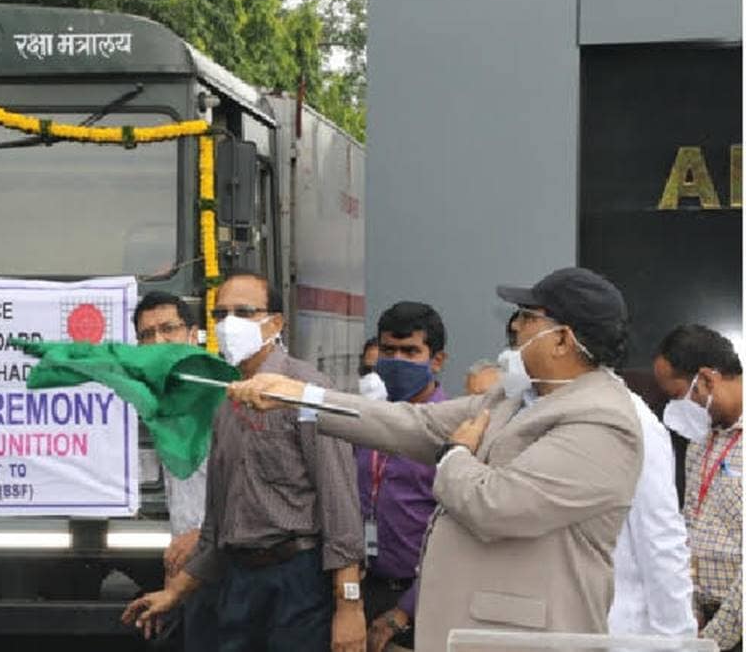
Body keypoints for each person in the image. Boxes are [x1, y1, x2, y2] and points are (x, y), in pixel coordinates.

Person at [227, 267, 642, 651]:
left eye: (527, 316)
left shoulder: (601, 422)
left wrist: (454, 454)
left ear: (563, 339)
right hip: (467, 631)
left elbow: (495, 505)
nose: (514, 326)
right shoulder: (512, 397)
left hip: (520, 638)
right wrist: (300, 396)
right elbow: (417, 424)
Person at [122, 271, 367, 652]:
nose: (229, 324)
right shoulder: (224, 399)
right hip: (239, 581)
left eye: (244, 312)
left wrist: (349, 603)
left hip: (298, 580)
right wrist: (176, 592)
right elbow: (218, 523)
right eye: (221, 314)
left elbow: (339, 503)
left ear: (276, 322)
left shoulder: (306, 390)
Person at [360, 302, 449, 652]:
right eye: (388, 350)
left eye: (411, 351)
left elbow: (455, 539)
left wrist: (403, 612)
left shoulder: (452, 430)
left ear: (436, 360)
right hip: (363, 589)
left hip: (422, 598)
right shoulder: (366, 421)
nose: (397, 361)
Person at [132, 290, 218, 651]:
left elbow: (246, 487)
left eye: (168, 329)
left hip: (223, 561)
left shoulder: (219, 391)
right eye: (147, 334)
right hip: (187, 562)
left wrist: (201, 534)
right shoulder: (160, 396)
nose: (158, 340)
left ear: (193, 333)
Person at [654, 324, 742, 651]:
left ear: (706, 379)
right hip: (700, 622)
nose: (673, 409)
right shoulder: (701, 438)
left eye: (677, 396)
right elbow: (688, 524)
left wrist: (713, 640)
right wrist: (688, 615)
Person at [606, 380, 697, 638]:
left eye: (675, 394)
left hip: (631, 623)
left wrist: (677, 637)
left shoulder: (638, 425)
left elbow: (661, 539)